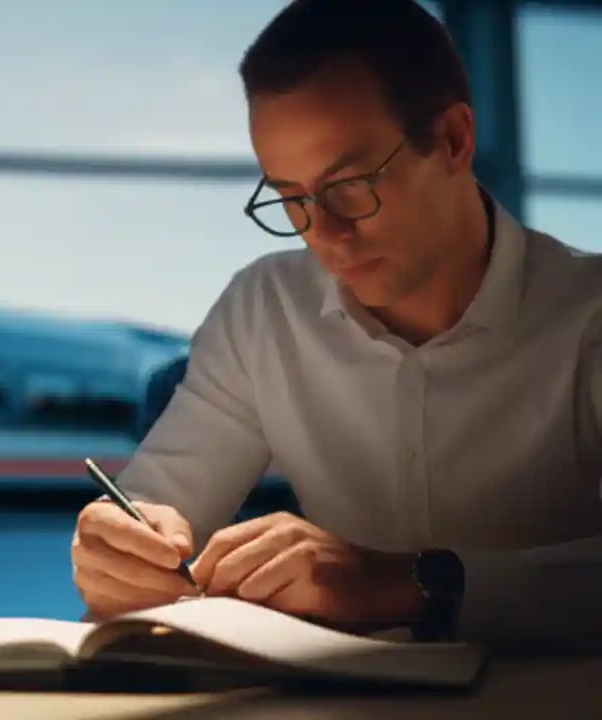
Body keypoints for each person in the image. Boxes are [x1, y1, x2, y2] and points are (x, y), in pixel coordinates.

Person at [72, 0, 602, 650]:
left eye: (349, 185)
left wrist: (408, 583)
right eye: (291, 198)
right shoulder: (265, 309)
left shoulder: (588, 316)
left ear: (455, 141)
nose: (323, 235)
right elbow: (155, 505)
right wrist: (116, 552)